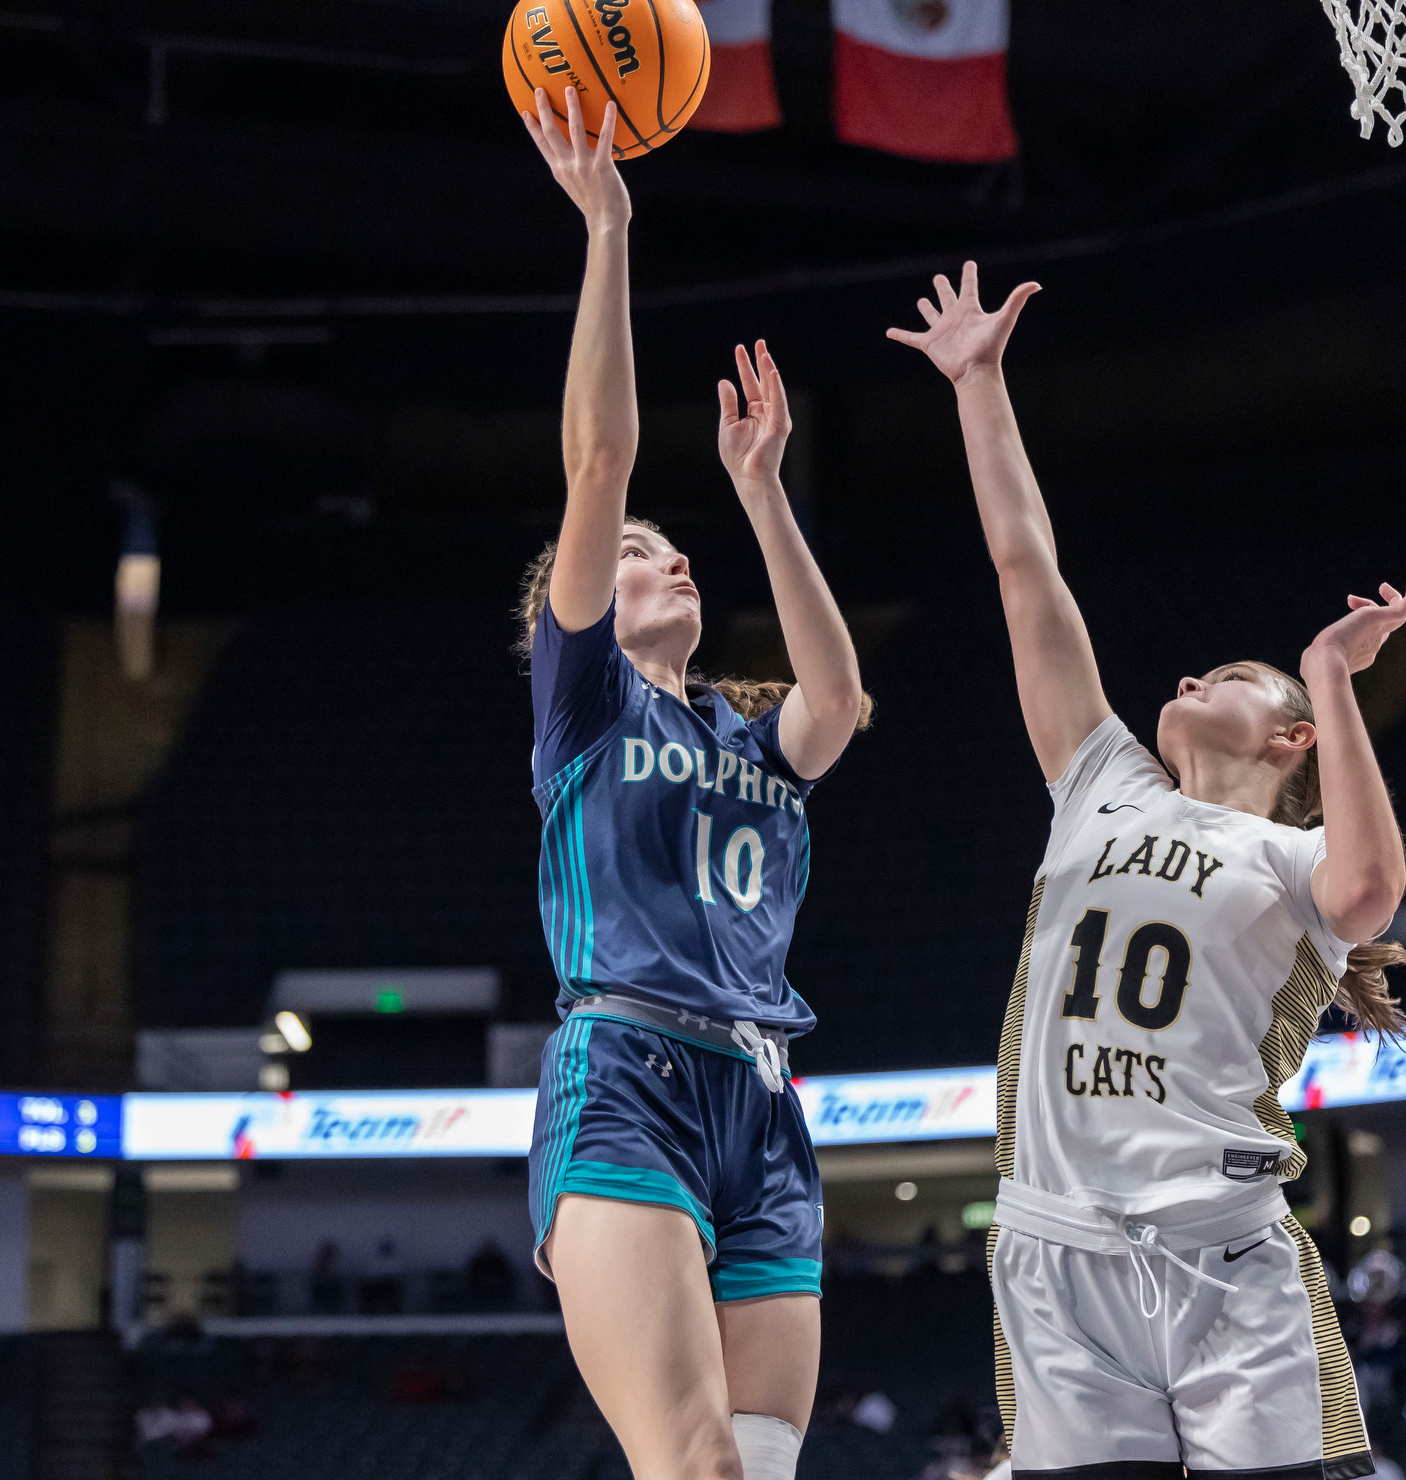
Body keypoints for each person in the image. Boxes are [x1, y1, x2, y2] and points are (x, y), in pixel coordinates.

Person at [889, 262, 1406, 1480]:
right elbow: (1028, 571)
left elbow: (1372, 891)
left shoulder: (1290, 858)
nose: (1185, 681)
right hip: (1055, 1247)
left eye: (1226, 679)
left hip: (1220, 1247)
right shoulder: (1100, 781)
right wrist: (977, 386)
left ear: (1289, 739)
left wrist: (1329, 676)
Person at [516, 85, 871, 1480]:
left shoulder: (740, 734)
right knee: (699, 1464)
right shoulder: (585, 701)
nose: (673, 561)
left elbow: (835, 702)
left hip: (765, 1099)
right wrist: (607, 226)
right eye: (644, 551)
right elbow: (598, 459)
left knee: (762, 1474)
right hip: (627, 1073)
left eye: (677, 552)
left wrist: (762, 490)